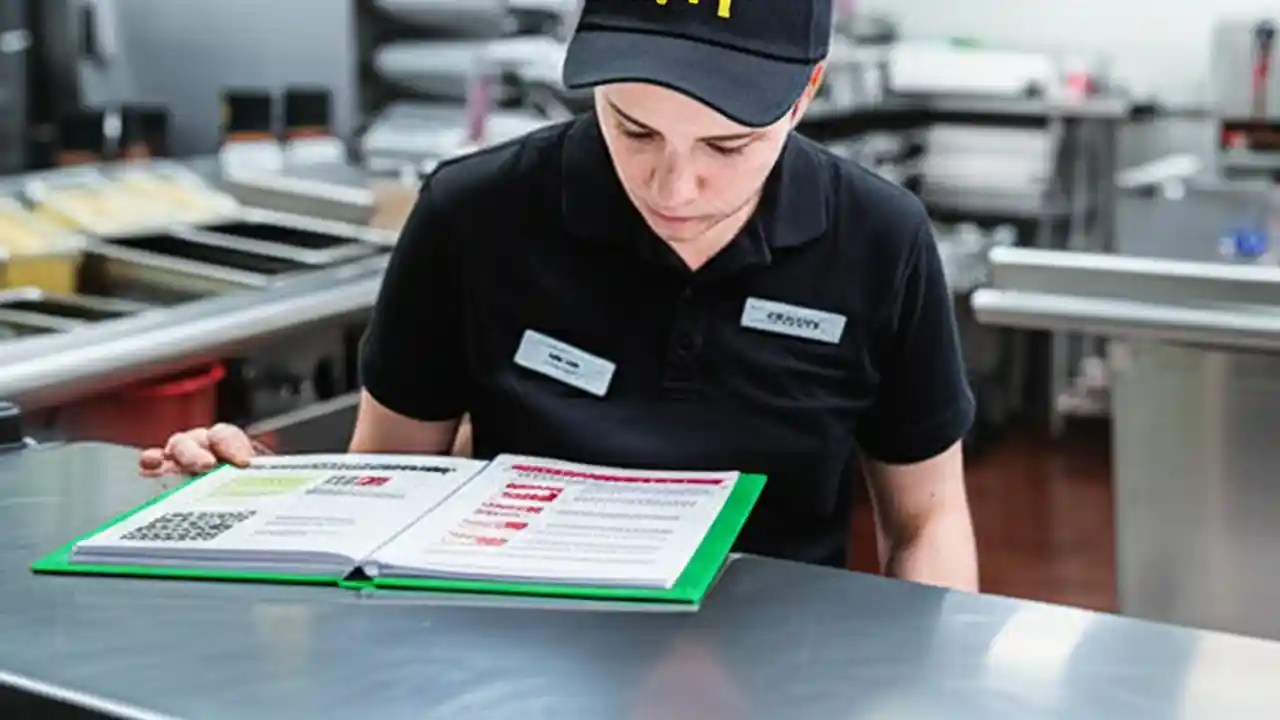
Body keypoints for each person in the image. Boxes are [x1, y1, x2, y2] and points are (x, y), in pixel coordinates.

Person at [140, 0, 979, 591]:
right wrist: (253, 502)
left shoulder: (879, 241)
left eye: (729, 144)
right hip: (512, 662)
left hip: (788, 668)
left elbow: (928, 524)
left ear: (807, 94)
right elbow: (389, 477)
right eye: (633, 128)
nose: (676, 188)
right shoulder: (475, 216)